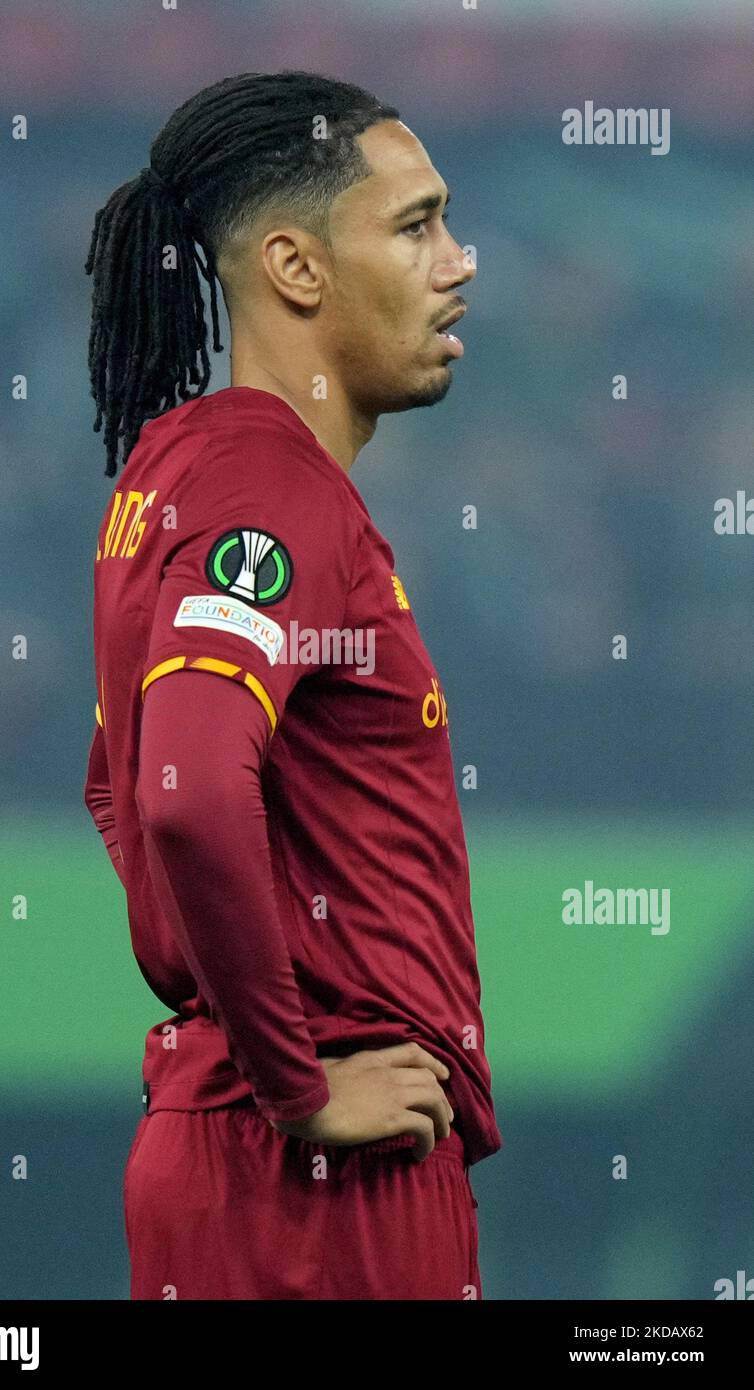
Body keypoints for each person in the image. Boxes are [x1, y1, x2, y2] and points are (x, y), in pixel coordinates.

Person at [83, 69, 501, 1300]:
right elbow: (182, 792)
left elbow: (113, 787)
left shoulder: (173, 468)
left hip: (232, 1153)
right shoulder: (270, 493)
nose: (458, 260)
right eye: (415, 224)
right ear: (297, 269)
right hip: (316, 1186)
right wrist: (296, 1080)